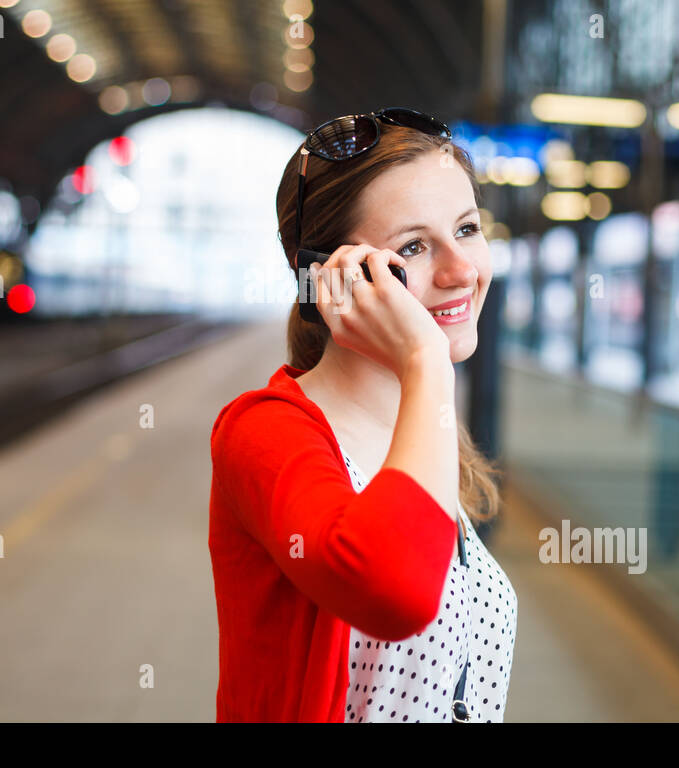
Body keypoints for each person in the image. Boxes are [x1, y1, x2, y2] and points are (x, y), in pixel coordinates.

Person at [208, 109, 517, 722]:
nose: (462, 272)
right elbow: (395, 593)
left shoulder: (418, 431)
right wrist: (426, 360)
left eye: (467, 228)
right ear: (333, 278)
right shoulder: (263, 431)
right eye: (414, 247)